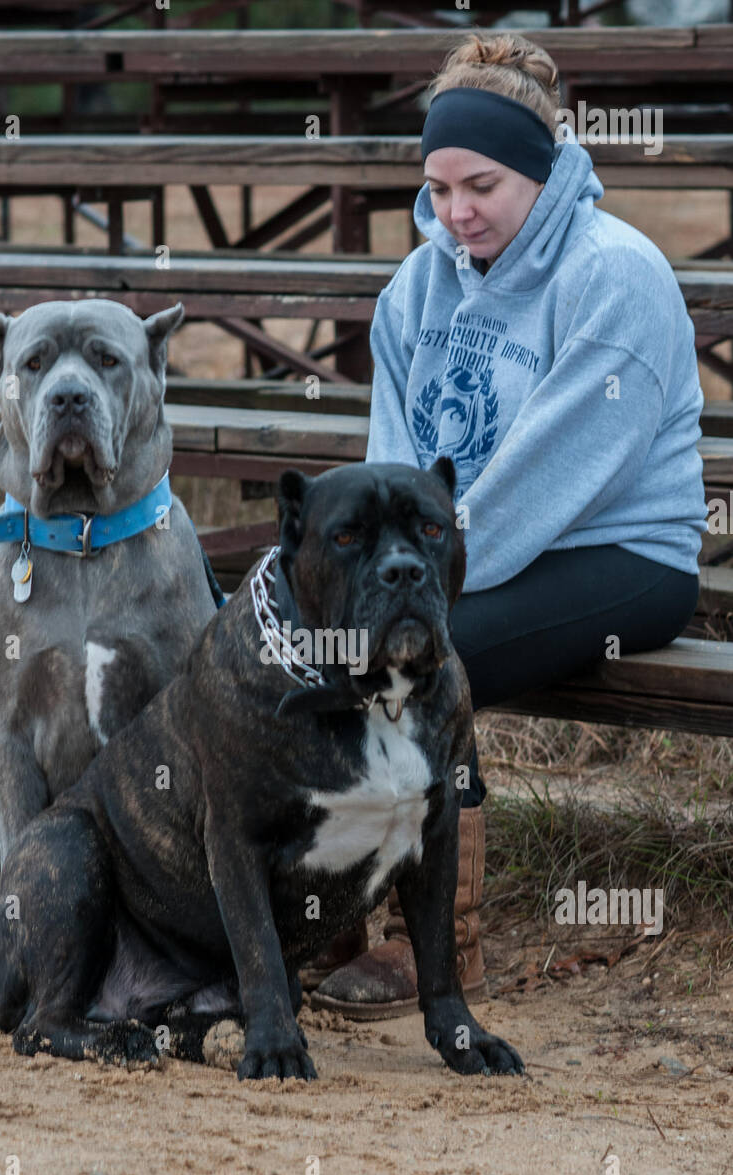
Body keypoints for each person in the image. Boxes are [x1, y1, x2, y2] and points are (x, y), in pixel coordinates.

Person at [305, 31, 707, 1019]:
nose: (454, 212)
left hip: (618, 555)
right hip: (454, 555)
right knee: (324, 643)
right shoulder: (417, 285)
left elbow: (548, 478)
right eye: (437, 189)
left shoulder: (614, 274)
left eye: (478, 185)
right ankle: (328, 910)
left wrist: (407, 599)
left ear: (538, 168)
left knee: (420, 656)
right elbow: (390, 471)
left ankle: (437, 943)